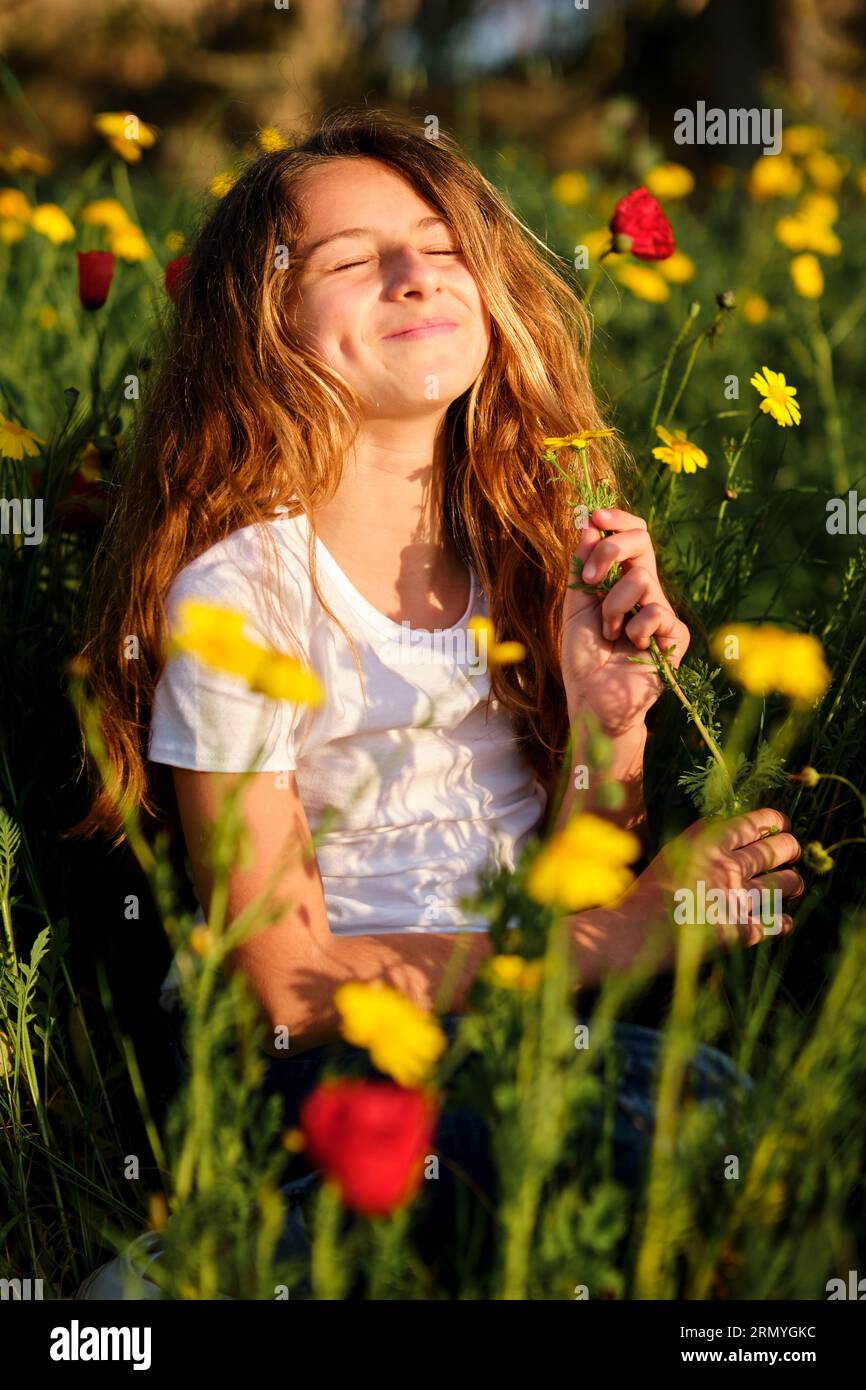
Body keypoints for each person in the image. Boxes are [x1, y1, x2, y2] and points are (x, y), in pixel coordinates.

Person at [74, 109, 804, 1297]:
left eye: (439, 243)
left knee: (710, 1115)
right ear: (262, 331)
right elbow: (283, 979)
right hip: (316, 1053)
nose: (415, 273)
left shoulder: (519, 554)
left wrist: (603, 723)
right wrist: (617, 934)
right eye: (353, 261)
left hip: (512, 1012)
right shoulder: (240, 592)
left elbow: (572, 866)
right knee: (658, 1125)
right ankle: (218, 1264)